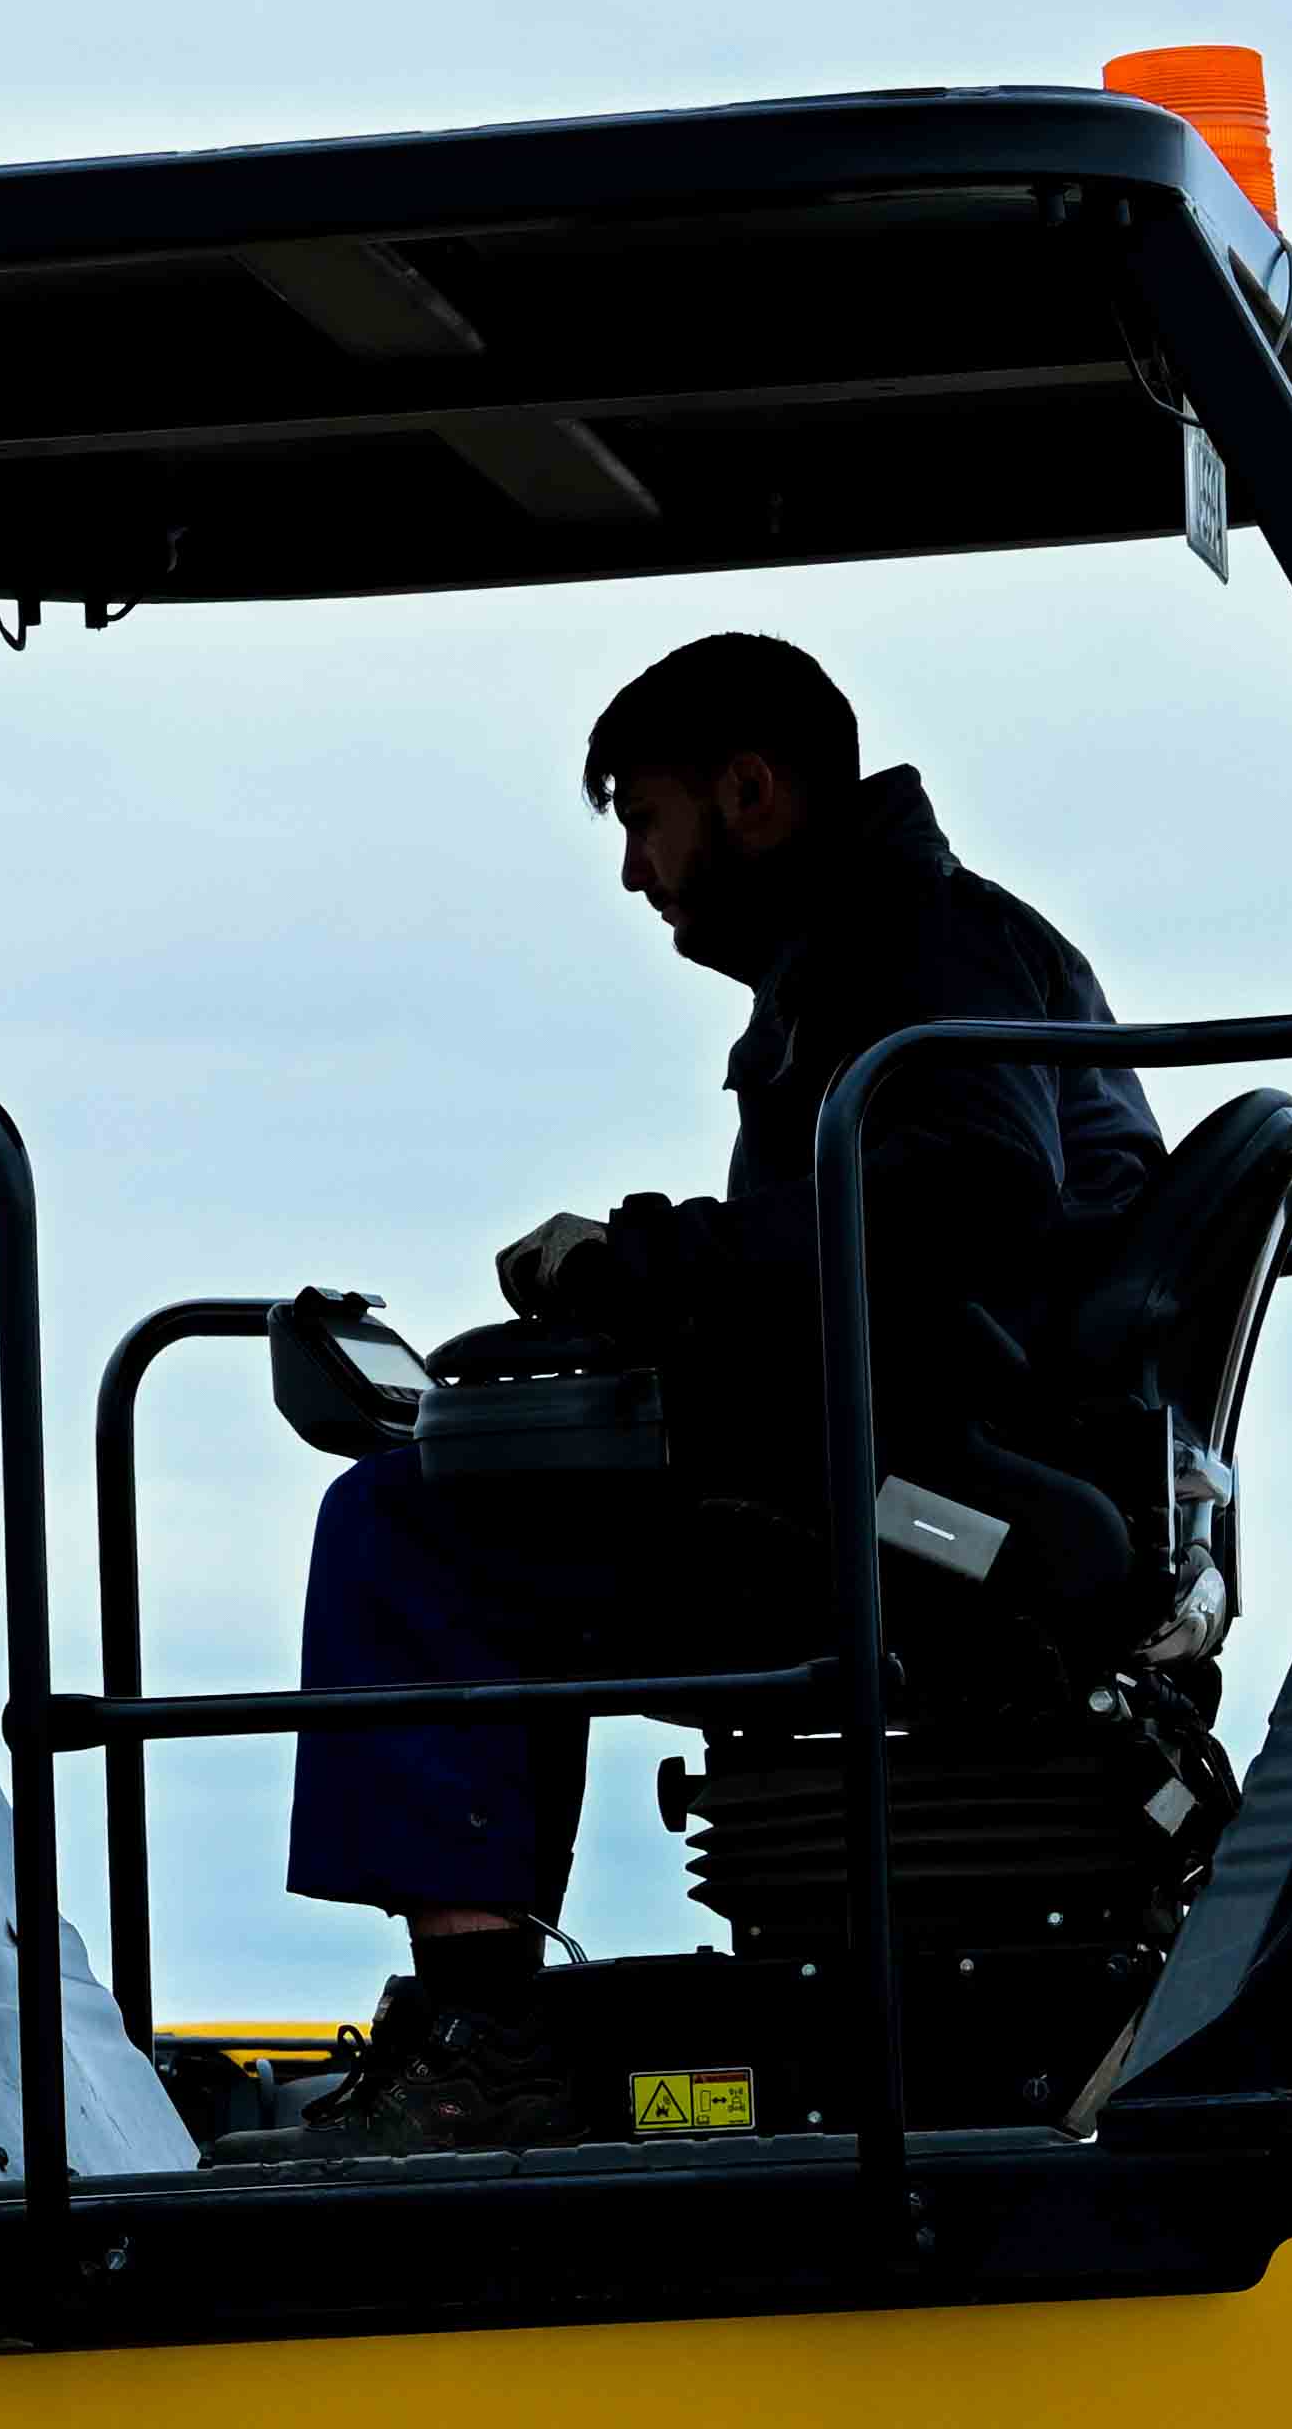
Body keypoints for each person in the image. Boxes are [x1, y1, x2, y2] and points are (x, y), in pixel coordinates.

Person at [287, 632, 1164, 2148]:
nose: (637, 871)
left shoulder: (916, 950)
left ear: (749, 789)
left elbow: (965, 1200)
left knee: (406, 1522)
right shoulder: (925, 946)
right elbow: (881, 1262)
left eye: (646, 818)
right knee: (489, 1475)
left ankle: (484, 2040)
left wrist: (640, 1264)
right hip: (938, 1482)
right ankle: (492, 2026)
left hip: (914, 1514)